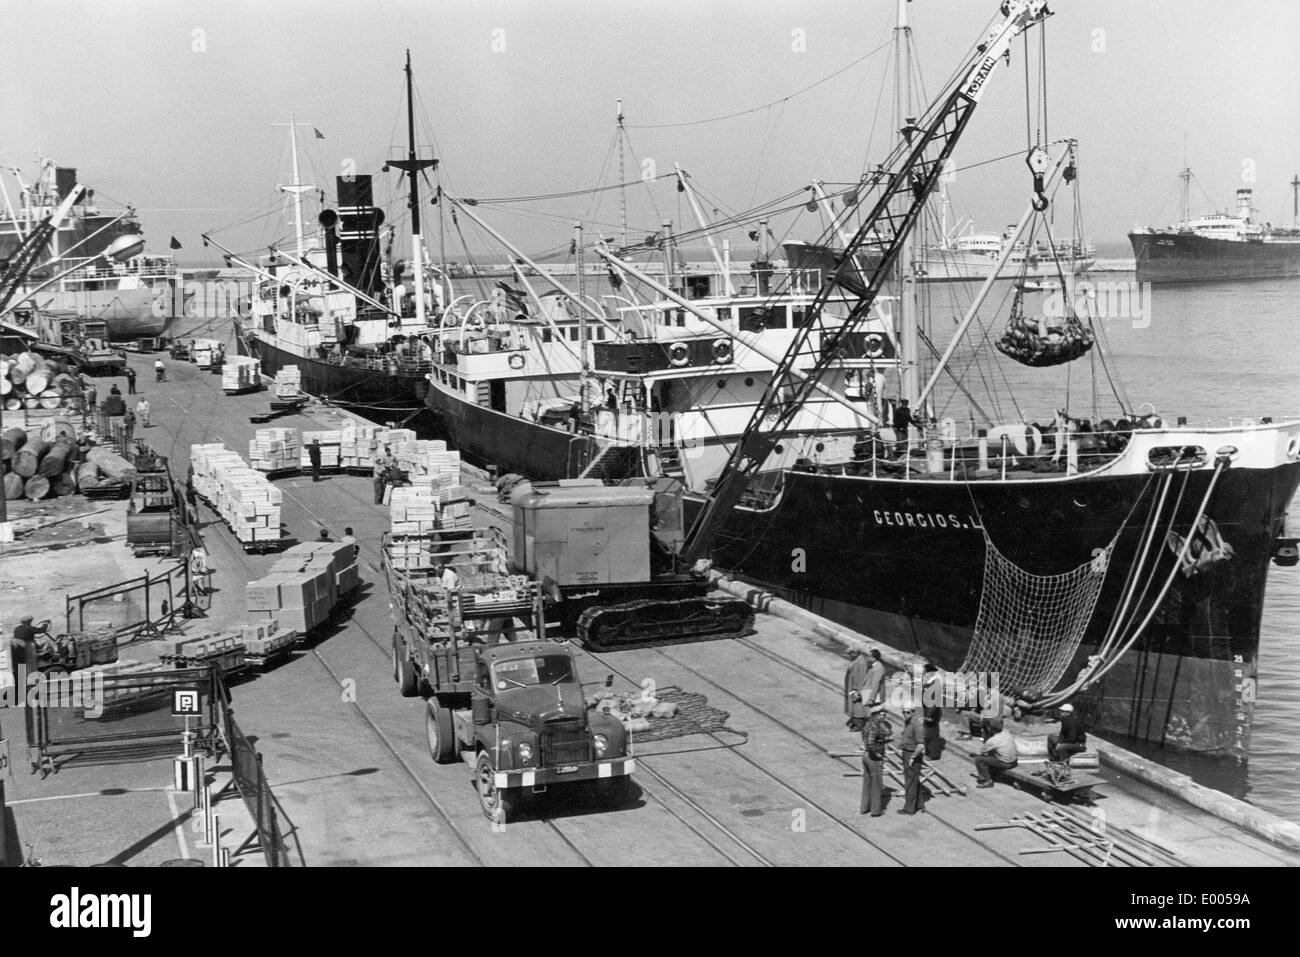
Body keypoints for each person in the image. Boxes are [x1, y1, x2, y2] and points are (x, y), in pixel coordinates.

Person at [860, 702, 892, 817]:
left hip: (866, 756)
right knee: (876, 785)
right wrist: (878, 755)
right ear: (876, 714)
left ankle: (864, 808)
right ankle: (876, 810)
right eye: (883, 714)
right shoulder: (873, 726)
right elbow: (870, 743)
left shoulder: (871, 724)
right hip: (873, 758)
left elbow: (888, 732)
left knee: (867, 784)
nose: (885, 716)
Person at [898, 699, 927, 814]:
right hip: (907, 753)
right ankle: (920, 804)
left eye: (908, 712)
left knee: (910, 782)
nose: (905, 714)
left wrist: (913, 757)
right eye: (903, 712)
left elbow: (920, 746)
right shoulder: (908, 722)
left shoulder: (917, 726)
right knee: (914, 780)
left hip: (912, 755)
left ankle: (909, 809)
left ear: (913, 712)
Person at [974, 718, 1019, 787]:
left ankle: (987, 781)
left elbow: (982, 752)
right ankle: (993, 774)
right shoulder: (1006, 732)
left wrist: (985, 737)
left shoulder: (992, 741)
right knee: (994, 754)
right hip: (1014, 761)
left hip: (1006, 763)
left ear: (990, 729)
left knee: (979, 759)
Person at [843, 648, 871, 732]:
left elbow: (861, 679)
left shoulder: (861, 663)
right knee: (855, 706)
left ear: (855, 653)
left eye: (850, 653)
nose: (849, 656)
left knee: (858, 707)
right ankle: (856, 721)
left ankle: (859, 724)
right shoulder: (857, 661)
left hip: (857, 689)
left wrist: (858, 692)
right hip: (853, 688)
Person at [922, 663, 944, 760]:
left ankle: (933, 754)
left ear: (928, 672)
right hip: (929, 711)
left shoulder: (935, 684)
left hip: (932, 712)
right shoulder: (930, 682)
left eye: (924, 671)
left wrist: (929, 715)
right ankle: (929, 752)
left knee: (931, 734)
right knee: (929, 732)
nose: (923, 673)